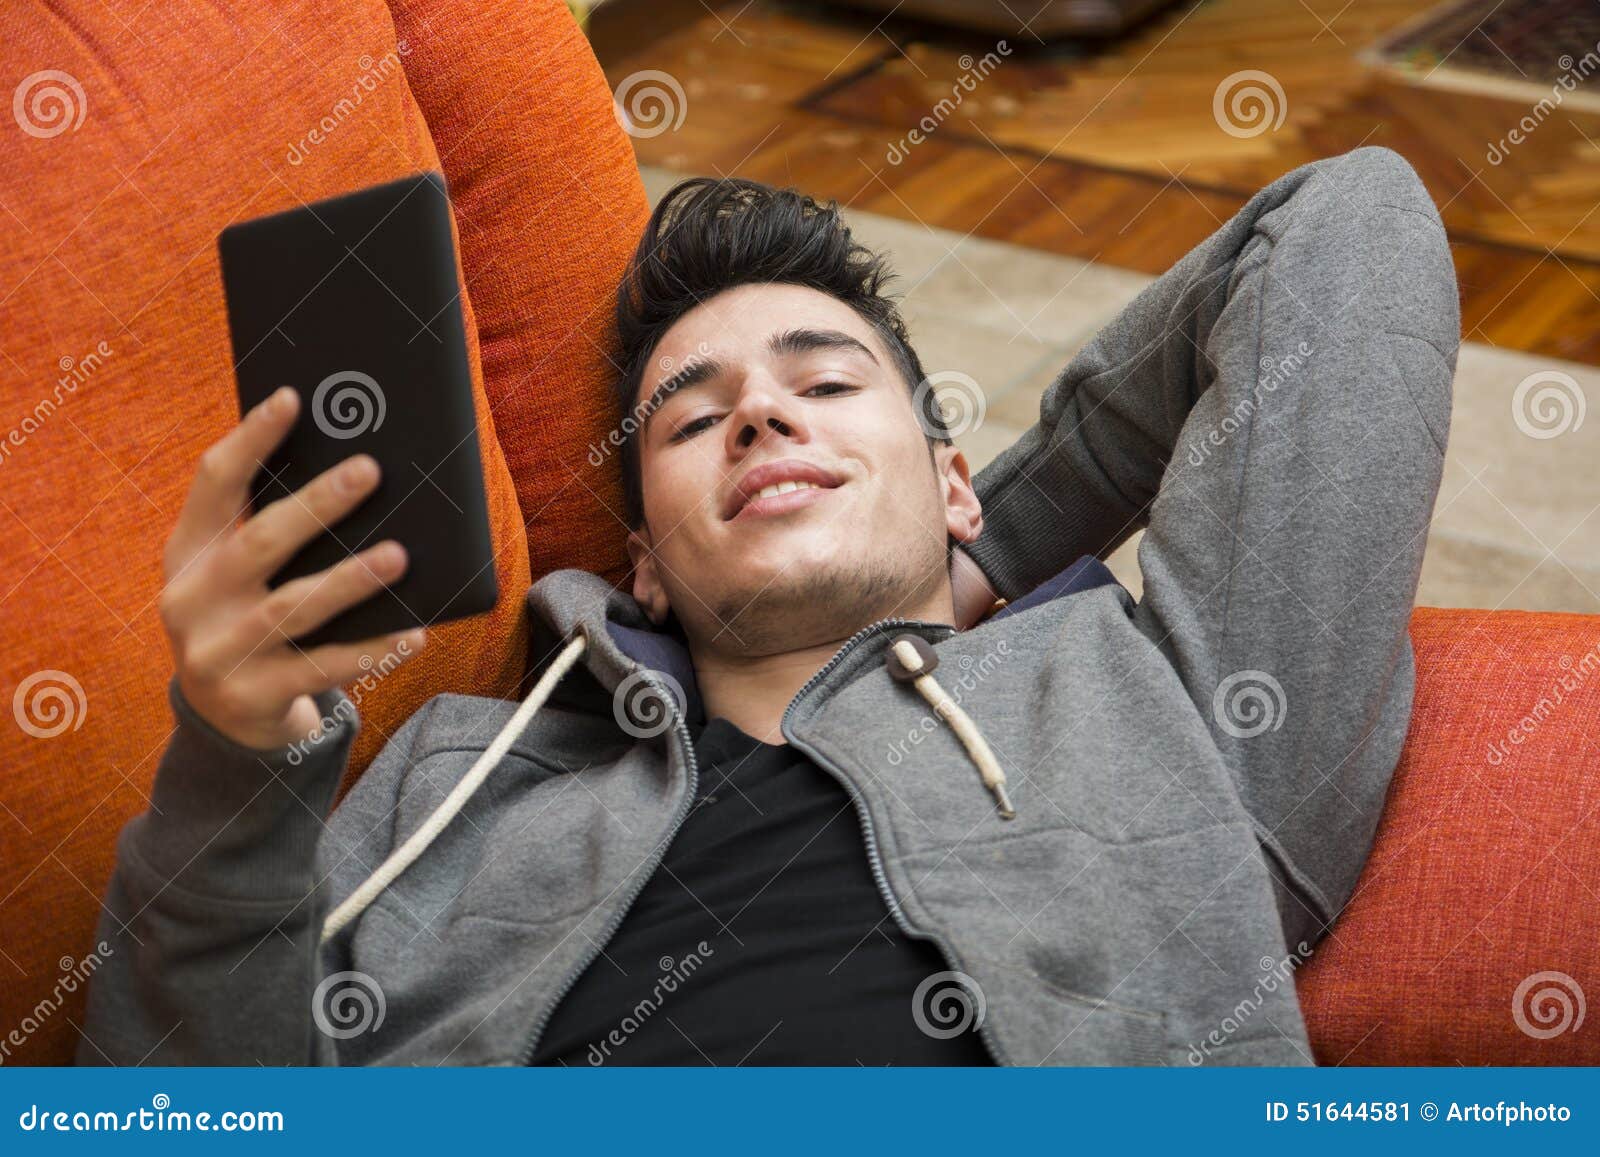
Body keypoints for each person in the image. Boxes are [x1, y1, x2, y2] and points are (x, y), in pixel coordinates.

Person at [76, 145, 1457, 1067]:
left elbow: (1349, 224)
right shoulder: (460, 780)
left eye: (828, 382)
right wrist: (231, 765)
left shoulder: (1149, 708)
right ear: (646, 570)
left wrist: (975, 555)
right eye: (692, 416)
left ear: (955, 479)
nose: (762, 413)